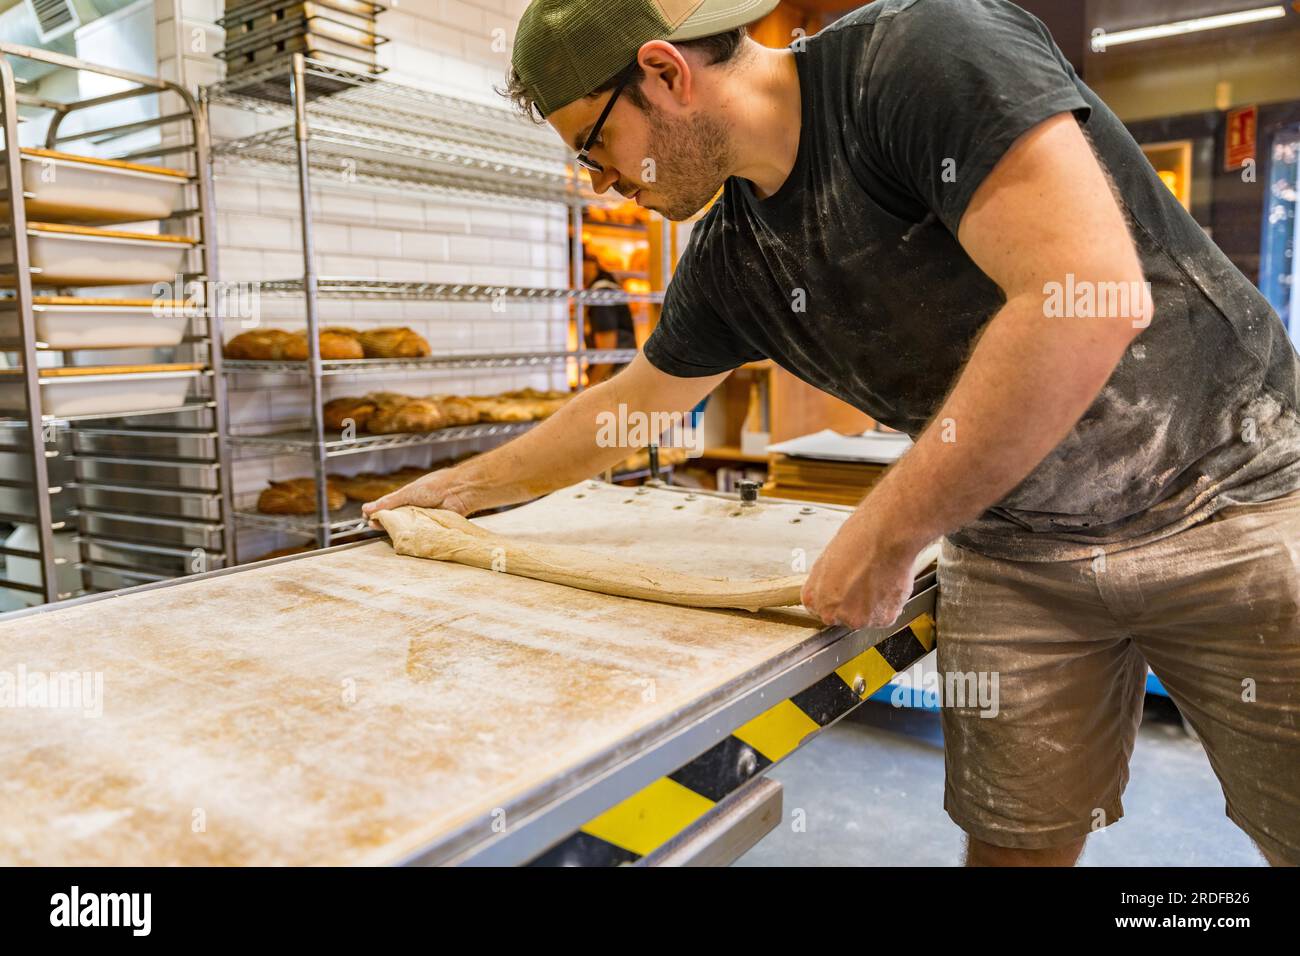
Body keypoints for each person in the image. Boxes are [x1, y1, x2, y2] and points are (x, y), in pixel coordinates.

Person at [366, 0, 1300, 867]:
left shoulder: (920, 58)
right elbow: (637, 405)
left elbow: (1083, 304)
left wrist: (887, 530)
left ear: (664, 73)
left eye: (595, 144)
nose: (601, 183)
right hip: (1018, 551)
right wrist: (455, 493)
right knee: (1017, 846)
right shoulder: (734, 258)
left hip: (1233, 499)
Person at [583, 259, 637, 385]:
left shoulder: (602, 294)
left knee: (622, 405)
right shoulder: (608, 286)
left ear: (587, 263)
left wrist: (586, 393)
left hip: (616, 382)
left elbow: (607, 355)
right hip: (622, 380)